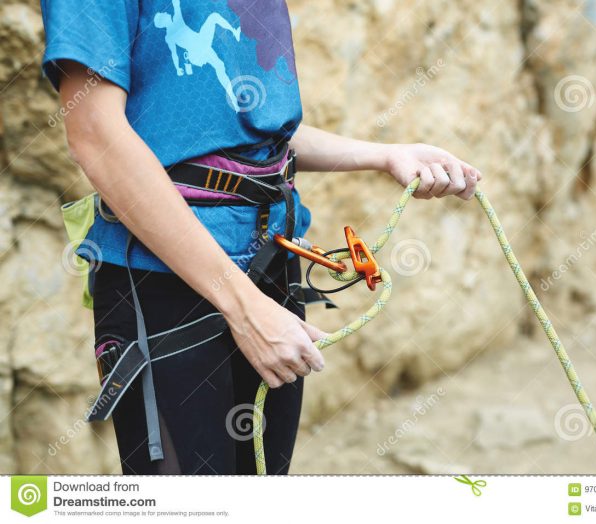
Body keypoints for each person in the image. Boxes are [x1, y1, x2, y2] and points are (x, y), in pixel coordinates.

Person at [40, 0, 482, 475]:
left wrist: (385, 155)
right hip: (163, 280)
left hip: (273, 261)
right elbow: (93, 133)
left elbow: (240, 133)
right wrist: (242, 306)